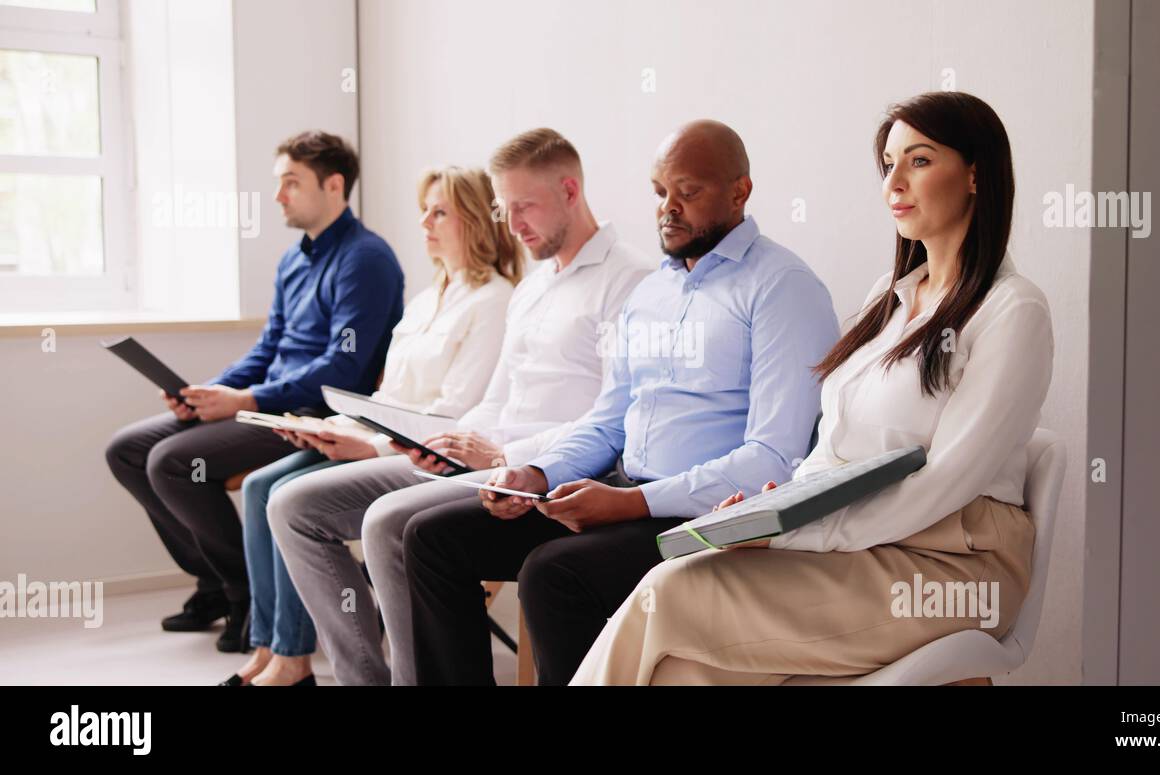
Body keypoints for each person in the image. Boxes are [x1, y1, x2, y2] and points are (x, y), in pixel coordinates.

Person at [571, 92, 1055, 685]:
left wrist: (800, 533)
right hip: (865, 547)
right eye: (888, 164)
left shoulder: (1013, 311)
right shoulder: (891, 298)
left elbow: (947, 482)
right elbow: (836, 445)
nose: (894, 182)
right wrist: (767, 512)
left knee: (669, 591)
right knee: (683, 669)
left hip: (955, 567)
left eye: (919, 161)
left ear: (977, 172)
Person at [399, 119, 840, 685]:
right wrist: (536, 473)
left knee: (553, 573)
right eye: (660, 192)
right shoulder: (652, 293)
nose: (668, 208)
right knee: (433, 539)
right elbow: (609, 422)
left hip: (707, 519)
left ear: (740, 191)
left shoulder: (784, 287)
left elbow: (774, 459)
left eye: (689, 191)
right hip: (622, 491)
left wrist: (630, 505)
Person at [267, 128, 652, 685]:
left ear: (570, 190)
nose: (513, 224)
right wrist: (438, 445)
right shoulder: (534, 287)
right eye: (504, 208)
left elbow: (611, 422)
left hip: (540, 469)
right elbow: (498, 397)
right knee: (294, 503)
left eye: (525, 206)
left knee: (386, 522)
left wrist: (502, 454)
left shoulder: (629, 279)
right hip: (481, 460)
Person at [105, 130, 404, 652]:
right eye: (279, 183)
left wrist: (246, 401)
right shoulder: (293, 261)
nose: (278, 196)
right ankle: (219, 584)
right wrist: (211, 390)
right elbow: (269, 347)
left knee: (170, 462)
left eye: (292, 182)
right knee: (127, 450)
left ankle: (241, 590)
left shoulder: (367, 259)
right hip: (264, 403)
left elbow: (345, 366)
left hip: (312, 415)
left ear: (334, 185)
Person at [221, 166, 520, 686]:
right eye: (423, 209)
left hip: (426, 459)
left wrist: (371, 446)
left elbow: (455, 415)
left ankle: (346, 670)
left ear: (475, 219)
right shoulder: (427, 300)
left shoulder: (494, 301)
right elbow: (386, 399)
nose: (424, 221)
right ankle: (290, 653)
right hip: (379, 440)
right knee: (262, 487)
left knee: (287, 500)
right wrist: (330, 426)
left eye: (440, 210)